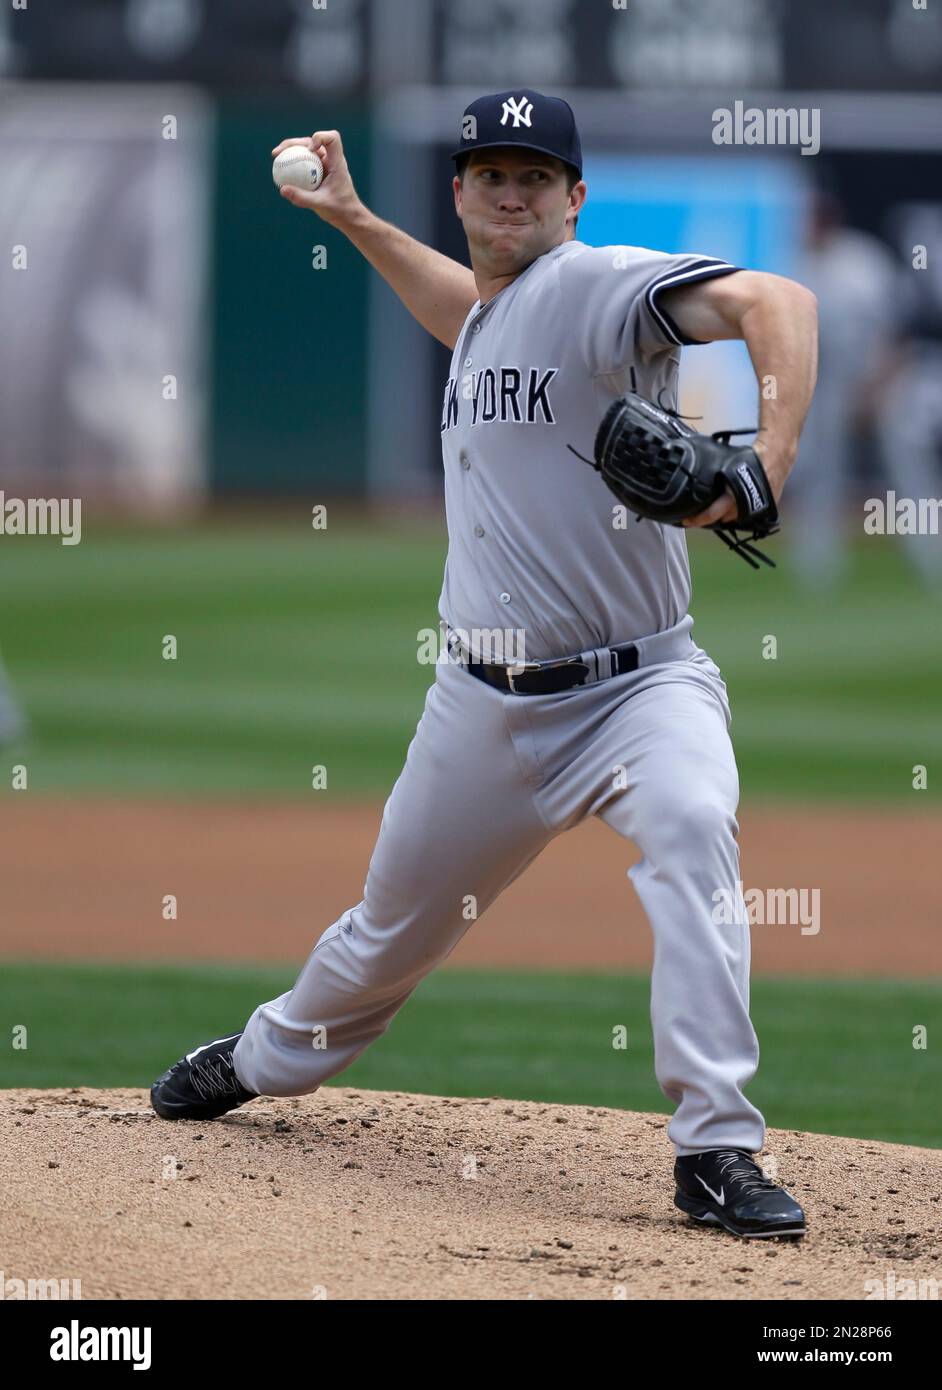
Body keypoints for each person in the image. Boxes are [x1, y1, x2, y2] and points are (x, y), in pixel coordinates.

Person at [151, 90, 818, 1241]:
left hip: (638, 691)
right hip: (482, 709)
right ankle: (261, 1060)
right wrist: (357, 219)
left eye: (536, 176)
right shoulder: (498, 312)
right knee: (381, 936)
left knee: (694, 825)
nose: (512, 192)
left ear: (574, 199)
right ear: (459, 191)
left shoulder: (594, 284)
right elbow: (463, 308)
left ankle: (717, 1144)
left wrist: (768, 459)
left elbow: (779, 298)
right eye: (490, 174)